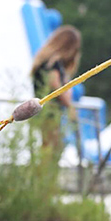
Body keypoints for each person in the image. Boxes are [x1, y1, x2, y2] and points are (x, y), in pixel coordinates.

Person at [30, 25, 82, 153]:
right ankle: (46, 173)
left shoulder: (44, 62)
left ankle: (45, 172)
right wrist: (69, 106)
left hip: (43, 110)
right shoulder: (54, 64)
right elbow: (55, 84)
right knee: (51, 147)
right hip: (50, 112)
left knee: (49, 145)